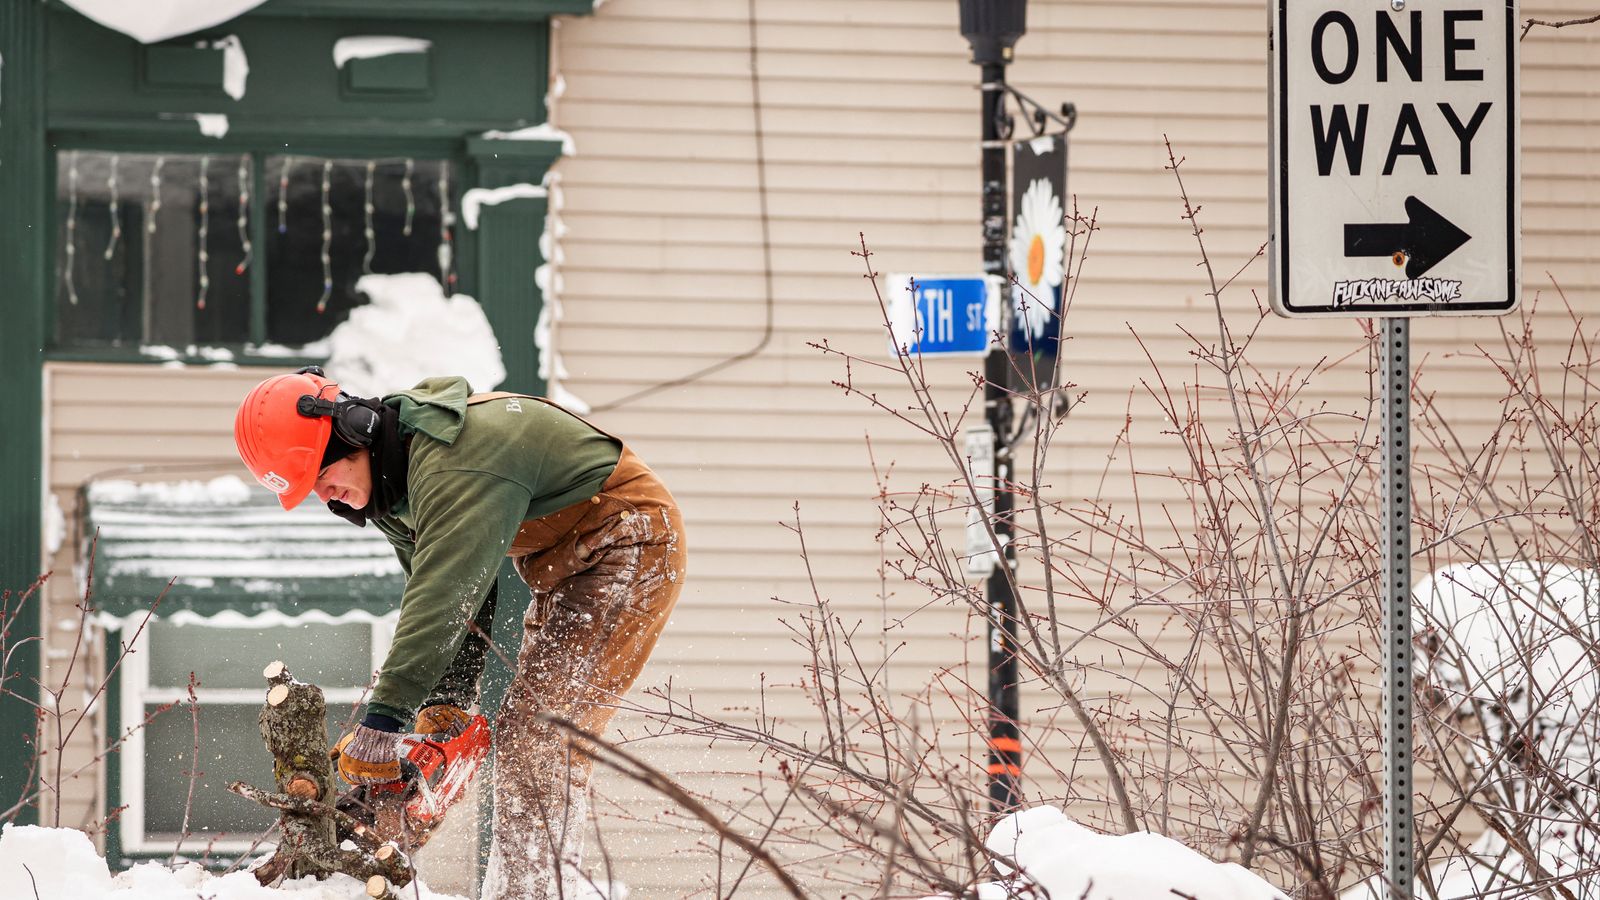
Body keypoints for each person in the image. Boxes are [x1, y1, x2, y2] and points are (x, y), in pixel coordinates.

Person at [234, 367, 685, 899]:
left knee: (539, 735)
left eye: (324, 473)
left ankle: (532, 893)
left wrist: (385, 719)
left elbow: (446, 591)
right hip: (564, 564)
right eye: (312, 489)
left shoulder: (455, 458)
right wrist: (447, 700)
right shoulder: (389, 482)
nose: (326, 495)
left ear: (354, 429)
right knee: (526, 730)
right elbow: (460, 587)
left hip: (627, 538)